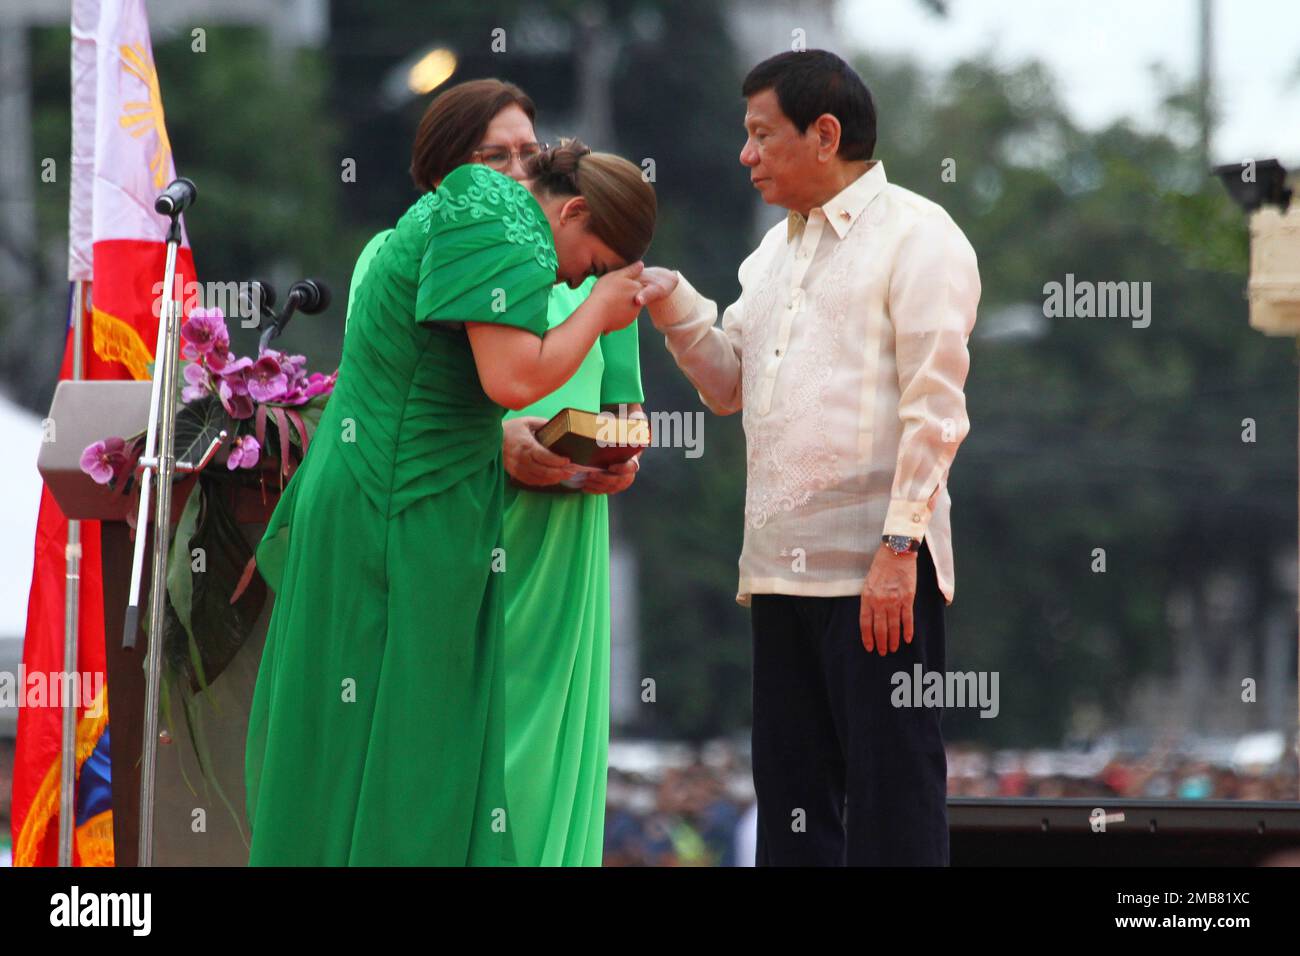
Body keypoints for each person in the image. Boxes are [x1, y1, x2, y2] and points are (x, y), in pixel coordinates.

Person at [244, 136, 656, 866]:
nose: (573, 280)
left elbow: (457, 381)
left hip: (416, 493)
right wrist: (597, 310)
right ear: (577, 210)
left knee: (416, 739)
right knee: (412, 743)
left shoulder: (486, 210)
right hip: (397, 503)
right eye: (588, 262)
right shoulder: (500, 218)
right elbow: (511, 378)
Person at [636, 50, 980, 865]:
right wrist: (675, 301)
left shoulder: (919, 235)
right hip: (779, 572)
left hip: (879, 569)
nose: (746, 155)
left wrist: (899, 548)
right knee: (792, 798)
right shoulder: (771, 255)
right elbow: (730, 387)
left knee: (893, 791)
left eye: (761, 135)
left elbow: (937, 411)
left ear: (824, 135)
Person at [343, 79, 646, 865]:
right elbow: (395, 405)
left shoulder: (596, 263)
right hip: (460, 515)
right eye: (493, 155)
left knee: (549, 758)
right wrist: (504, 438)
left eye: (528, 152)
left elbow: (628, 406)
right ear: (446, 169)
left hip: (566, 531)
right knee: (454, 733)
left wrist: (612, 456)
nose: (517, 169)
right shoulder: (396, 253)